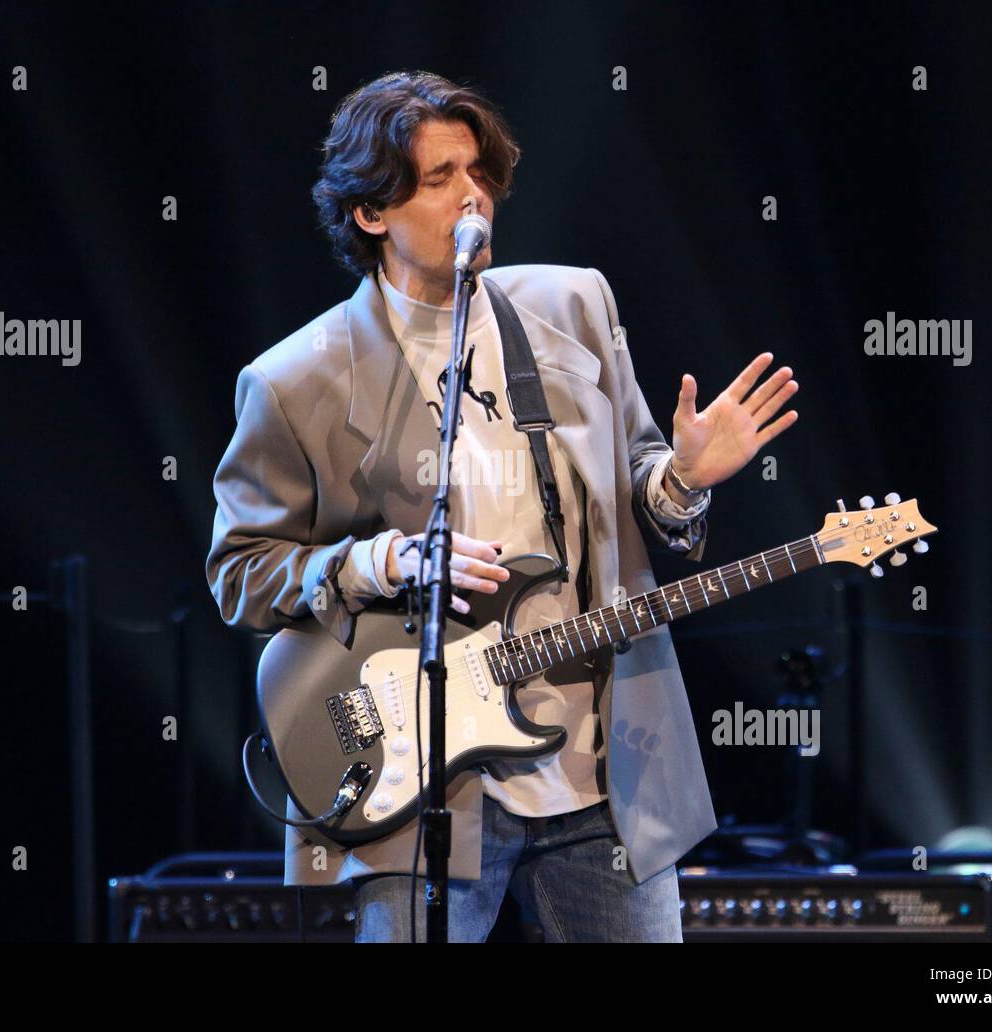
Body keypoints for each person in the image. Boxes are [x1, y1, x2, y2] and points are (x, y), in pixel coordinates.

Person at [206, 70, 799, 942]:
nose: (472, 196)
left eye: (478, 172)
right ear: (371, 212)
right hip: (422, 779)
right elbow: (240, 574)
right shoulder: (294, 380)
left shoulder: (573, 304)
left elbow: (642, 482)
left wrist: (683, 477)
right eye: (439, 178)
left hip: (605, 767)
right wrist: (379, 562)